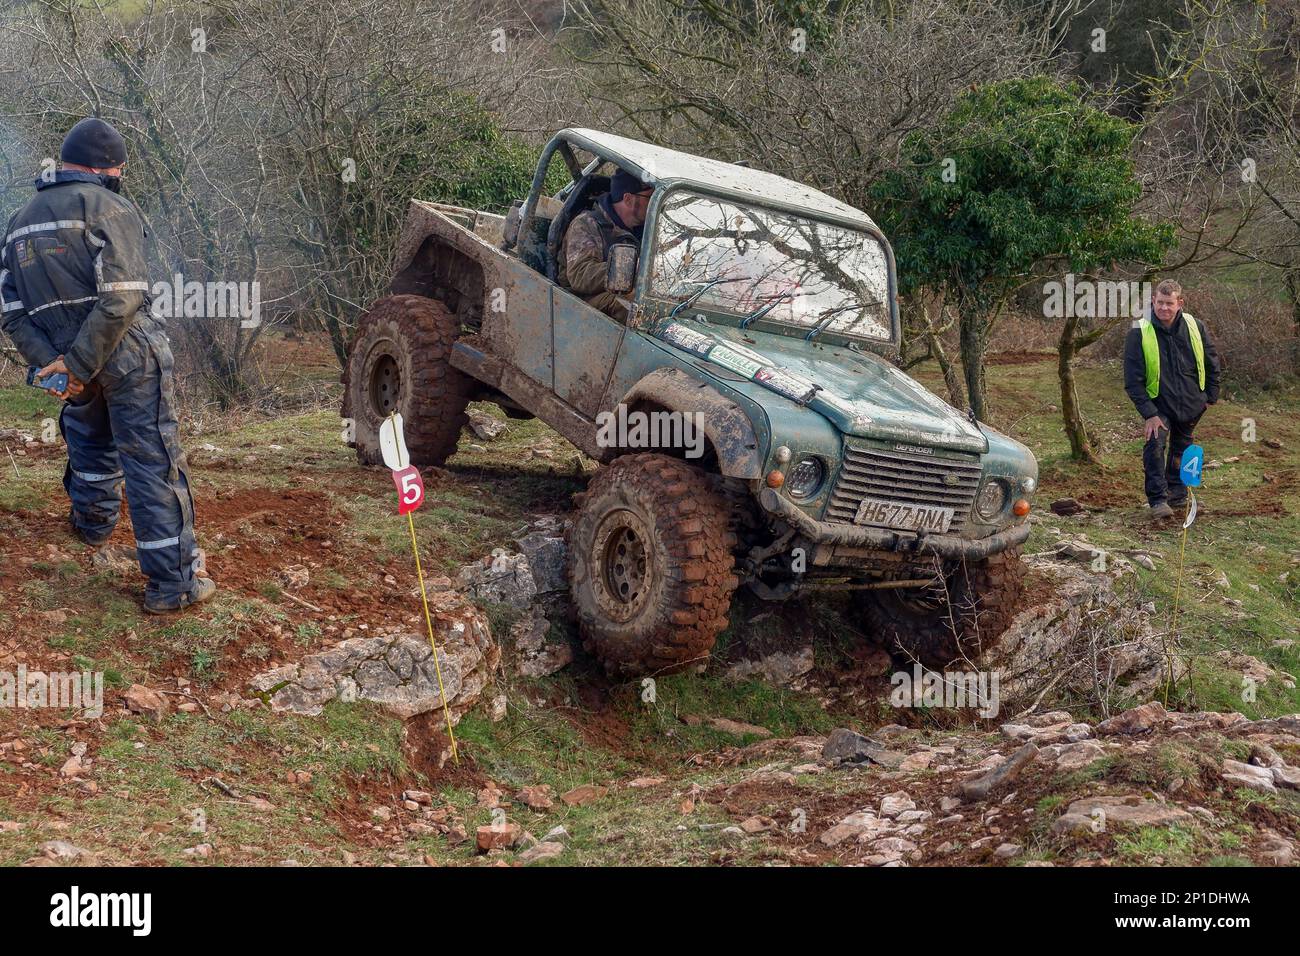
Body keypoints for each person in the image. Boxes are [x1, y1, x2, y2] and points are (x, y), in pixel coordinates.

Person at [0, 117, 214, 613]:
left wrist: (55, 365)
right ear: (106, 167)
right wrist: (77, 363)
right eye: (119, 166)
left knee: (90, 442)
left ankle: (92, 524)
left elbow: (10, 310)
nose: (120, 174)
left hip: (63, 359)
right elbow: (121, 301)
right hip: (126, 355)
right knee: (151, 460)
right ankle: (174, 583)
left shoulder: (19, 221)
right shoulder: (110, 206)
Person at [1123, 279, 1221, 520]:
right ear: (1153, 301)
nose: (1164, 308)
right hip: (1158, 405)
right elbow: (1132, 380)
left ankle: (1178, 494)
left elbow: (1211, 361)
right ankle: (1158, 500)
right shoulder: (1139, 331)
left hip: (1192, 401)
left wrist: (1210, 396)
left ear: (1180, 303)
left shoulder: (1195, 326)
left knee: (1183, 448)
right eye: (1159, 303)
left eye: (1169, 303)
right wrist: (1149, 413)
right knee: (1155, 445)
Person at [557, 168, 652, 320]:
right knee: (633, 305)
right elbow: (580, 275)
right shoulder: (586, 224)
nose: (654, 204)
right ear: (628, 199)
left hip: (620, 292)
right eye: (649, 197)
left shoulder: (645, 231)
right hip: (578, 303)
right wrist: (627, 268)